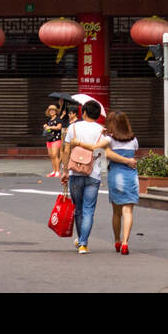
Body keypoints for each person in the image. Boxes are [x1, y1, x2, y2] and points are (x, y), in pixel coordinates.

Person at [73, 109, 141, 255]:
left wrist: (77, 142)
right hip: (131, 176)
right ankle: (125, 243)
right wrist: (129, 160)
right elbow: (134, 152)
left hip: (116, 175)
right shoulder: (134, 140)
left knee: (116, 212)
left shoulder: (109, 140)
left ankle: (117, 240)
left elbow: (94, 147)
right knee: (128, 210)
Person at [61, 98, 106, 253]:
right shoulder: (102, 130)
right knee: (89, 209)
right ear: (98, 115)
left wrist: (65, 171)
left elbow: (66, 150)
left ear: (84, 113)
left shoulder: (73, 127)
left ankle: (81, 241)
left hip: (74, 171)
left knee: (78, 209)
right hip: (93, 173)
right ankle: (83, 243)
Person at [43, 103, 64, 177]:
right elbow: (49, 131)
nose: (52, 111)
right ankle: (54, 170)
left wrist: (50, 127)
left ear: (56, 111)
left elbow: (59, 127)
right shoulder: (49, 120)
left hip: (56, 139)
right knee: (51, 156)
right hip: (49, 139)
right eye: (50, 110)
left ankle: (58, 171)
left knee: (55, 155)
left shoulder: (58, 119)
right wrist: (46, 127)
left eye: (53, 110)